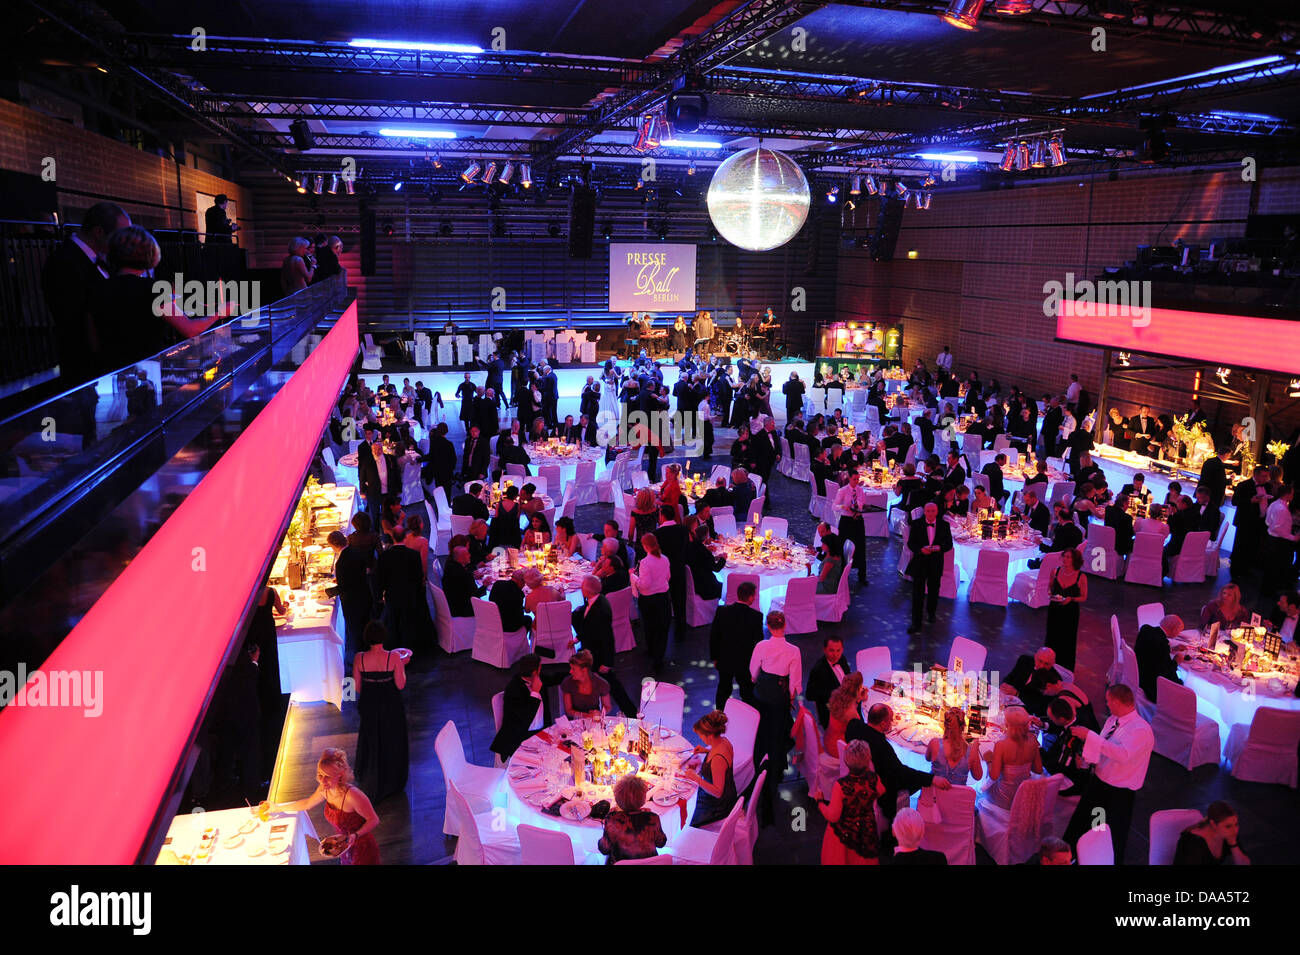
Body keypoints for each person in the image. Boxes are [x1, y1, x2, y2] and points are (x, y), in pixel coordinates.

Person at [94, 226, 220, 371]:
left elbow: (95, 344)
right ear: (150, 254)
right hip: (149, 371)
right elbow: (190, 329)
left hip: (108, 373)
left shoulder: (97, 288)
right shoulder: (156, 290)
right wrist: (220, 312)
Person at [42, 201, 131, 388]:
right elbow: (74, 317)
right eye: (120, 235)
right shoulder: (64, 262)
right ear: (99, 232)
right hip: (85, 366)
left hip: (104, 362)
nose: (124, 241)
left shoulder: (99, 259)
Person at [1062, 684, 1154, 864]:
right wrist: (1087, 759)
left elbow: (1122, 755)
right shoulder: (1113, 720)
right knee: (1082, 825)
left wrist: (1089, 735)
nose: (1106, 704)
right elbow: (1103, 747)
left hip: (1116, 795)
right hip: (1098, 784)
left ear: (1117, 702)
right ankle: (1070, 857)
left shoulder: (1140, 730)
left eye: (1108, 701)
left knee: (1104, 833)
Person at [262, 748, 380, 865]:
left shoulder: (353, 795)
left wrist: (355, 835)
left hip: (362, 846)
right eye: (320, 775)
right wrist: (276, 808)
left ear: (339, 775)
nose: (322, 781)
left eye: (327, 776)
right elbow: (307, 803)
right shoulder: (324, 789)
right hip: (342, 845)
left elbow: (374, 820)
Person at [847, 704, 950, 821]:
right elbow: (900, 772)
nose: (892, 722)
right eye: (890, 720)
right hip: (883, 786)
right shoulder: (882, 747)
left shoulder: (854, 726)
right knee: (919, 779)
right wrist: (931, 778)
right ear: (882, 724)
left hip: (859, 775)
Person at [352, 621, 409, 803]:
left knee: (371, 738)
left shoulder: (359, 658)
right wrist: (402, 666)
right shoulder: (392, 657)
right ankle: (392, 778)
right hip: (390, 703)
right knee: (392, 739)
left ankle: (369, 774)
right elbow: (400, 684)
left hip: (369, 704)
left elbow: (358, 687)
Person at [749, 611, 801, 798]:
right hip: (780, 696)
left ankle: (758, 770)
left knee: (761, 733)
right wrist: (791, 700)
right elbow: (795, 682)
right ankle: (776, 772)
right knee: (778, 734)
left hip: (762, 694)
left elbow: (753, 671)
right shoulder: (794, 650)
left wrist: (756, 680)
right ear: (784, 625)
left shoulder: (761, 646)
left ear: (768, 626)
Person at [571, 576, 636, 715]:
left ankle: (630, 712)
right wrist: (577, 638)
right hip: (592, 652)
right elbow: (588, 627)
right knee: (608, 684)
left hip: (598, 655)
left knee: (611, 685)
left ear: (587, 590)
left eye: (582, 587)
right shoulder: (596, 601)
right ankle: (627, 711)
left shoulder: (600, 610)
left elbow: (608, 638)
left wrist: (607, 662)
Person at [817, 739, 885, 865]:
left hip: (844, 837)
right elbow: (881, 791)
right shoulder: (874, 778)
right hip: (866, 831)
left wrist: (820, 802)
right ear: (867, 760)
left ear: (846, 761)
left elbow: (833, 816)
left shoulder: (841, 785)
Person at [377, 527, 433, 653]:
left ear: (393, 538)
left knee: (394, 622)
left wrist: (382, 594)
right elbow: (419, 576)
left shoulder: (384, 556)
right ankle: (411, 648)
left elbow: (380, 578)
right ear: (405, 537)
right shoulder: (413, 555)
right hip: (410, 595)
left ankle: (395, 647)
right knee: (409, 622)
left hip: (393, 595)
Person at [710, 579, 763, 709]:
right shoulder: (756, 616)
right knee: (747, 692)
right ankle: (748, 717)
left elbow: (714, 636)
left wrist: (715, 657)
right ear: (751, 597)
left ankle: (719, 715)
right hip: (745, 662)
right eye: (754, 595)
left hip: (725, 658)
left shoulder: (722, 611)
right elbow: (759, 642)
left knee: (723, 689)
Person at [682, 710, 738, 828]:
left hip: (718, 805)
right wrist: (706, 750)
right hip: (730, 794)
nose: (700, 738)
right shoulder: (724, 742)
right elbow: (723, 757)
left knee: (685, 817)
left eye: (701, 736)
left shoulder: (718, 759)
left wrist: (696, 778)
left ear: (710, 735)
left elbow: (718, 793)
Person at [597, 775, 667, 865]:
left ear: (617, 800)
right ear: (643, 799)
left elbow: (604, 849)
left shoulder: (612, 820)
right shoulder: (653, 818)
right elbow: (661, 843)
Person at [906, 501, 952, 634]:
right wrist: (921, 550)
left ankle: (931, 613)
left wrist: (939, 548)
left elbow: (949, 544)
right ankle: (916, 622)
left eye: (933, 511)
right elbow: (911, 544)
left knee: (934, 590)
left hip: (936, 562)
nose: (931, 513)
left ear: (937, 512)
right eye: (928, 511)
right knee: (917, 593)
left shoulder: (944, 525)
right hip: (920, 562)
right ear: (924, 512)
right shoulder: (917, 524)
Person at [984, 707, 1042, 809]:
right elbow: (1038, 769)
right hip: (1023, 795)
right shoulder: (1033, 741)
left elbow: (994, 776)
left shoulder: (1001, 745)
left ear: (1007, 725)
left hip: (1004, 796)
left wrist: (989, 760)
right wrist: (1022, 767)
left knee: (981, 787)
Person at [489, 654, 545, 760]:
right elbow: (526, 718)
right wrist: (535, 692)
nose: (541, 669)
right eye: (540, 667)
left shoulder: (536, 680)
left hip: (540, 732)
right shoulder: (513, 690)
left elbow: (554, 678)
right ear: (535, 672)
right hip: (519, 738)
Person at [634, 532, 673, 671]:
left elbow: (645, 584)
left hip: (649, 600)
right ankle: (659, 657)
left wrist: (635, 579)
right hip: (663, 598)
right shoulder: (665, 559)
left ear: (645, 546)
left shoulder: (645, 563)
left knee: (650, 626)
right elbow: (668, 576)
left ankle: (652, 651)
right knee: (662, 628)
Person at [1045, 547, 1087, 671]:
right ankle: (1047, 665)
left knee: (1067, 639)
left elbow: (1083, 597)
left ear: (1075, 560)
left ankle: (1065, 669)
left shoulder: (1081, 577)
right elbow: (1050, 588)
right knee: (1052, 636)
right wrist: (1050, 595)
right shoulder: (1055, 572)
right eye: (1064, 556)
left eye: (1068, 557)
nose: (1065, 559)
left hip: (1070, 612)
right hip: (1055, 609)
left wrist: (1071, 599)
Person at [1173, 802, 1251, 865]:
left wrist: (1233, 843)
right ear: (1213, 824)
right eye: (1228, 826)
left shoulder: (1228, 834)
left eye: (1236, 824)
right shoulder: (1193, 844)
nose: (1235, 830)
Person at [1134, 614, 1187, 703]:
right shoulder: (1162, 644)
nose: (1178, 634)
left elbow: (1151, 651)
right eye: (1179, 631)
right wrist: (1176, 661)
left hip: (1139, 674)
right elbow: (1164, 673)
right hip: (1151, 687)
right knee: (1182, 685)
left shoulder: (1146, 629)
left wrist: (1171, 649)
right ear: (1173, 629)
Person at [925, 708, 984, 786]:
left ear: (944, 725)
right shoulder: (971, 751)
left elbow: (928, 758)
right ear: (963, 727)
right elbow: (978, 776)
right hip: (957, 797)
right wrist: (975, 748)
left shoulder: (934, 743)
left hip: (933, 794)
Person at [834, 470, 871, 587]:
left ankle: (862, 576)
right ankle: (842, 574)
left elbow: (862, 504)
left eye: (857, 479)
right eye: (854, 479)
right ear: (849, 479)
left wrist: (860, 510)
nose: (856, 482)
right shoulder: (842, 491)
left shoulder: (860, 490)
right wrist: (844, 507)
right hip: (846, 522)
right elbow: (834, 506)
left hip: (858, 521)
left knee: (860, 547)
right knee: (842, 547)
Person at [805, 636, 851, 728]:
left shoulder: (842, 659)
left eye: (838, 650)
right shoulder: (818, 670)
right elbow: (809, 695)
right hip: (830, 711)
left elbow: (848, 677)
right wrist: (836, 693)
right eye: (831, 650)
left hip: (846, 703)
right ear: (824, 650)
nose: (835, 655)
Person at [561, 650, 612, 719]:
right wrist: (585, 715)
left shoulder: (601, 683)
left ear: (584, 670)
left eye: (573, 669)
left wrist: (599, 713)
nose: (570, 671)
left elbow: (607, 707)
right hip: (574, 721)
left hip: (594, 720)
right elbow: (568, 710)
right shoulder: (568, 683)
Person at [686, 523, 726, 600]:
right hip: (706, 587)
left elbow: (702, 560)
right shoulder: (704, 551)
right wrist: (723, 559)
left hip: (695, 582)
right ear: (706, 536)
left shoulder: (691, 546)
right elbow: (716, 568)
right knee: (725, 588)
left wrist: (715, 558)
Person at [443, 546, 486, 616]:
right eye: (467, 554)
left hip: (452, 605)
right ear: (460, 558)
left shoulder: (450, 567)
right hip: (464, 610)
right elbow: (474, 597)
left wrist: (472, 575)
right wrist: (485, 585)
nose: (470, 555)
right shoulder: (464, 574)